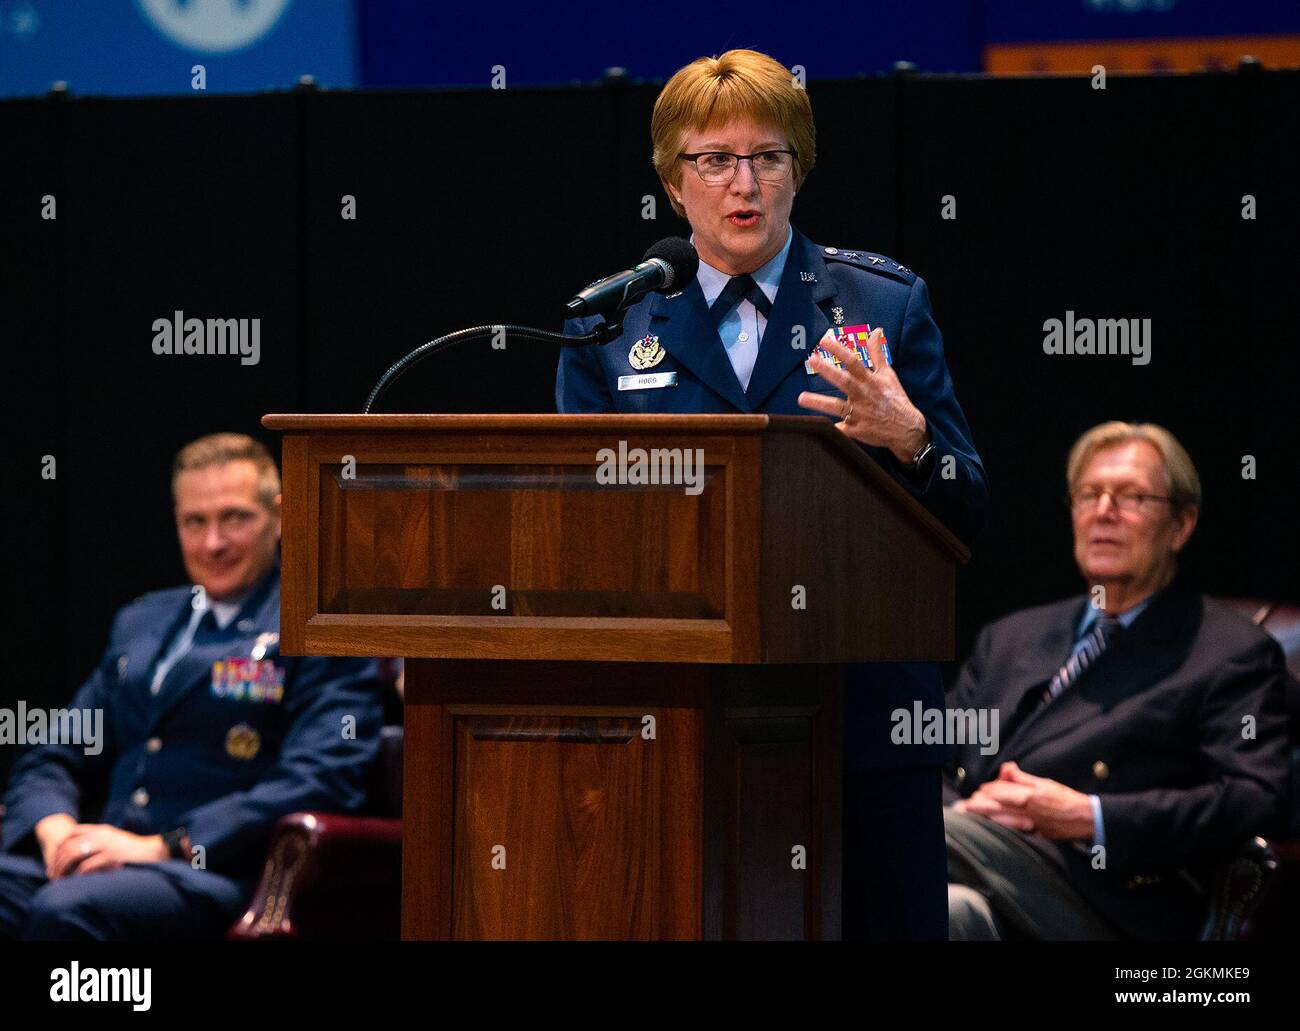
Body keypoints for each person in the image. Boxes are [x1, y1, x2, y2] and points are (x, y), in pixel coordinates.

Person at [557, 49, 990, 938]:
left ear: (800, 170)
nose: (743, 183)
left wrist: (912, 440)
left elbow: (971, 514)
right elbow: (580, 536)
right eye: (714, 160)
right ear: (675, 186)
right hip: (683, 724)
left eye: (769, 157)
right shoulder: (611, 325)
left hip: (861, 725)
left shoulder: (884, 304)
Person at [0, 433, 386, 940]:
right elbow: (58, 751)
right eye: (195, 522)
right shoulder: (142, 622)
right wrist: (55, 831)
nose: (213, 543)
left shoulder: (317, 626)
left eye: (235, 518)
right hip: (106, 857)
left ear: (282, 516)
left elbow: (319, 779)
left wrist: (167, 844)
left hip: (217, 870)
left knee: (69, 908)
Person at [943, 422, 1290, 940]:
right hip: (977, 860)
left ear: (1181, 525)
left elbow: (1257, 799)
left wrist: (1090, 815)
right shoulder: (1011, 638)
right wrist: (965, 810)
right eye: (1089, 495)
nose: (1104, 511)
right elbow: (933, 755)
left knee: (893, 828)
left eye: (1131, 497)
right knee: (950, 911)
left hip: (1107, 894)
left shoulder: (1227, 651)